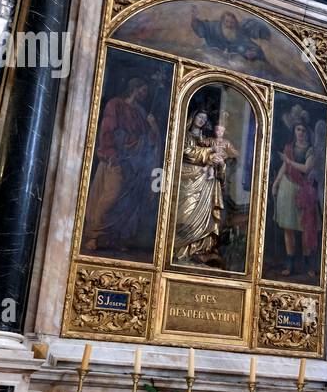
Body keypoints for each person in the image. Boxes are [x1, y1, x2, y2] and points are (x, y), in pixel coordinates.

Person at [83, 75, 161, 256]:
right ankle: (95, 235)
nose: (145, 94)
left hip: (135, 164)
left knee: (127, 203)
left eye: (147, 92)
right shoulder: (115, 104)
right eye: (143, 90)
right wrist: (111, 152)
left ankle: (114, 238)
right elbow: (108, 130)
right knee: (111, 196)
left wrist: (153, 126)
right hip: (118, 158)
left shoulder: (141, 112)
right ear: (135, 87)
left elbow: (150, 141)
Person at [271, 107, 322, 278]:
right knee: (288, 229)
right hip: (287, 188)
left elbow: (307, 168)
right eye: (297, 129)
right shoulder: (289, 147)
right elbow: (284, 167)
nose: (300, 132)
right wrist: (276, 183)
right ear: (294, 131)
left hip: (304, 192)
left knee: (306, 228)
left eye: (302, 130)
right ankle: (290, 263)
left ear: (307, 132)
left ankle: (308, 263)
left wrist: (288, 160)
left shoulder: (311, 150)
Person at [173, 110, 227, 265]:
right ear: (193, 117)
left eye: (205, 118)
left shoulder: (207, 139)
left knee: (207, 219)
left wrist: (219, 163)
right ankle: (181, 251)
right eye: (200, 117)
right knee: (186, 214)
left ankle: (200, 251)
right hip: (187, 179)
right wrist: (209, 153)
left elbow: (220, 159)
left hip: (207, 183)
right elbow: (187, 152)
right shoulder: (185, 136)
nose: (202, 120)